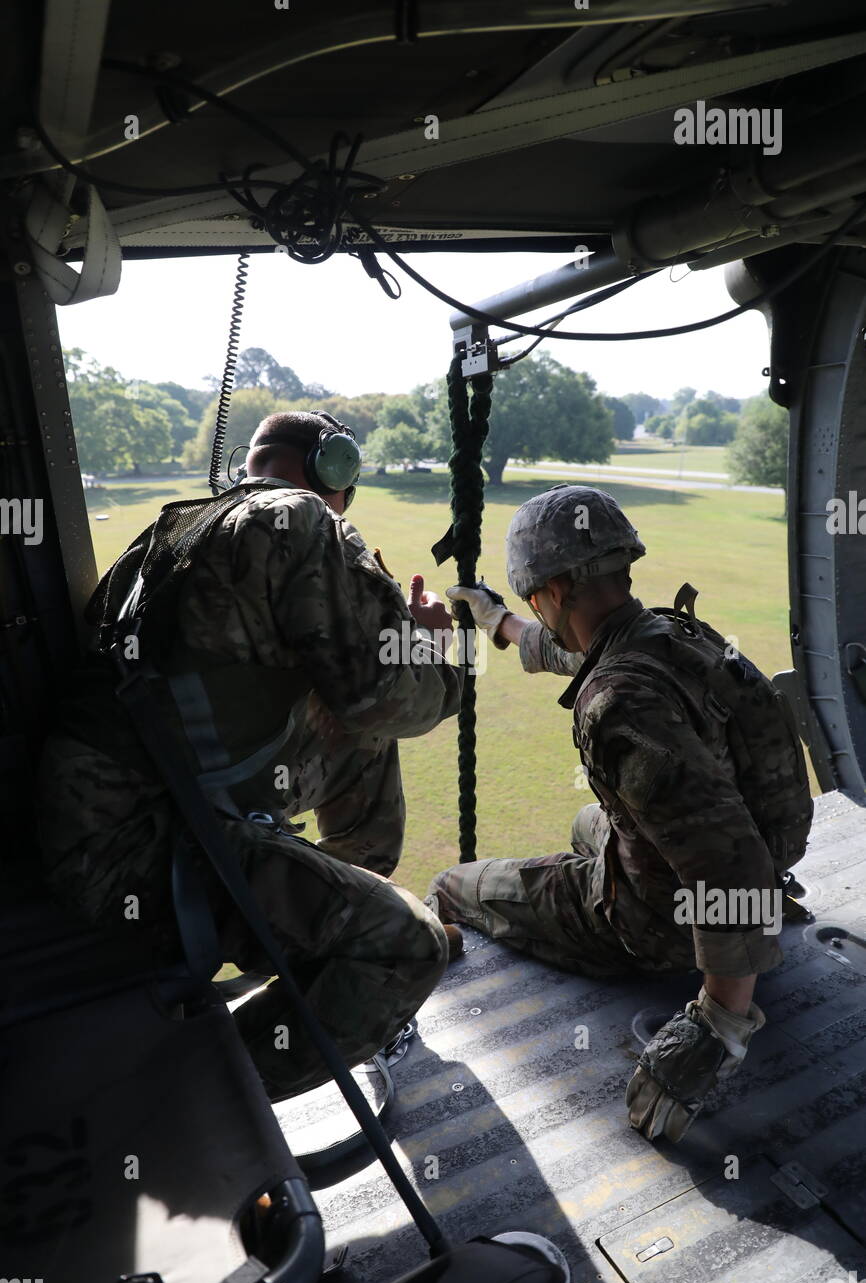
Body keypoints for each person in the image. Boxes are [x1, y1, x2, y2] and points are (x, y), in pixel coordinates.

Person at [37, 410, 464, 1101]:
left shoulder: (175, 530)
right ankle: (190, 1104)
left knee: (364, 743)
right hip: (140, 848)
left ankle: (327, 930)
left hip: (116, 818)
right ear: (336, 469)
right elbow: (382, 695)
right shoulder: (300, 517)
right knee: (410, 946)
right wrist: (434, 650)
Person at [428, 483, 811, 1142]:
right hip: (762, 865)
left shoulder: (618, 706)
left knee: (450, 886)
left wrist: (718, 1023)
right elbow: (566, 647)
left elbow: (730, 863)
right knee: (587, 823)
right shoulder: (675, 634)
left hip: (663, 921)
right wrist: (496, 621)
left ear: (550, 591)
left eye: (530, 600)